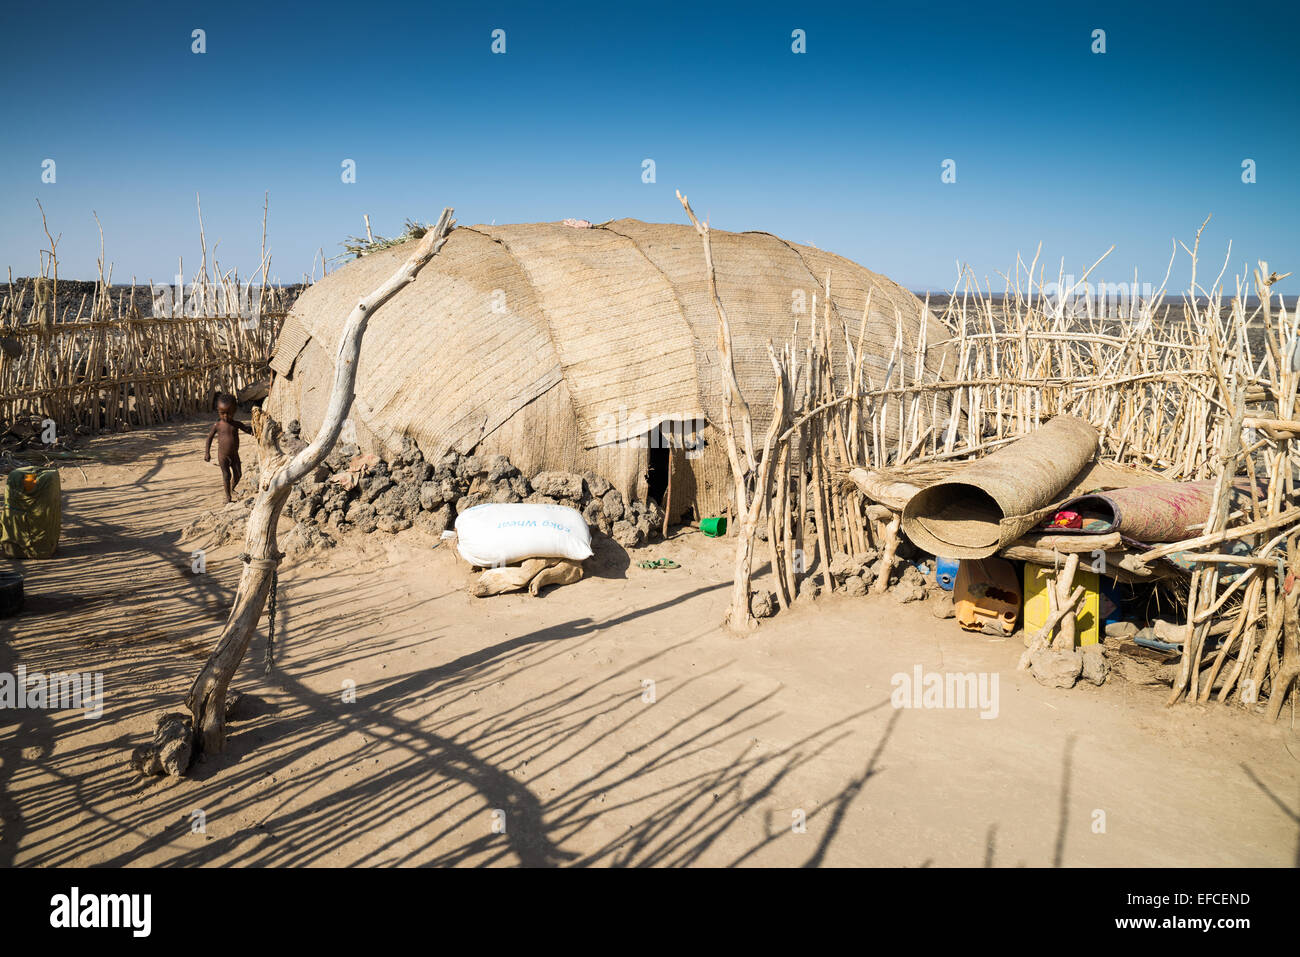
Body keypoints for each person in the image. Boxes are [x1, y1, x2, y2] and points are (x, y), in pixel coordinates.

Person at [204, 394, 253, 502]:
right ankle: (228, 497)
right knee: (226, 475)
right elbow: (209, 438)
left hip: (234, 455)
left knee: (238, 474)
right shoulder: (218, 425)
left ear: (234, 410)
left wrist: (255, 429)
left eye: (229, 413)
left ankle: (231, 488)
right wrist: (207, 453)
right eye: (222, 413)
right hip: (223, 456)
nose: (225, 416)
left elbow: (248, 430)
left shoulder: (236, 424)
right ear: (218, 411)